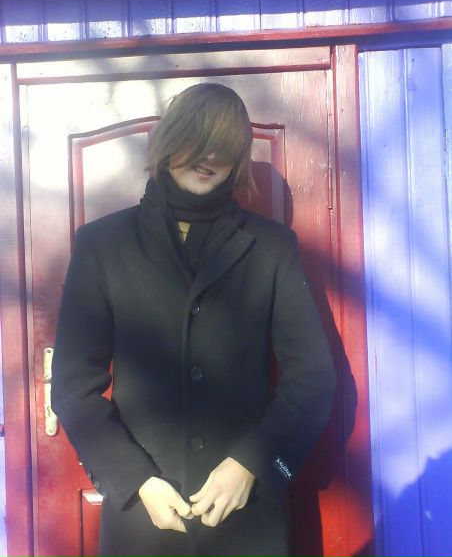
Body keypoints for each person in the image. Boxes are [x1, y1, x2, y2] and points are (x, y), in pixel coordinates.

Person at [51, 82, 336, 557]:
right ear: (169, 140)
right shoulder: (102, 245)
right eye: (197, 139)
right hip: (142, 517)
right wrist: (135, 481)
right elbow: (72, 386)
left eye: (225, 146)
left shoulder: (272, 248)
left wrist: (252, 464)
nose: (210, 157)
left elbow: (313, 379)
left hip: (246, 517)